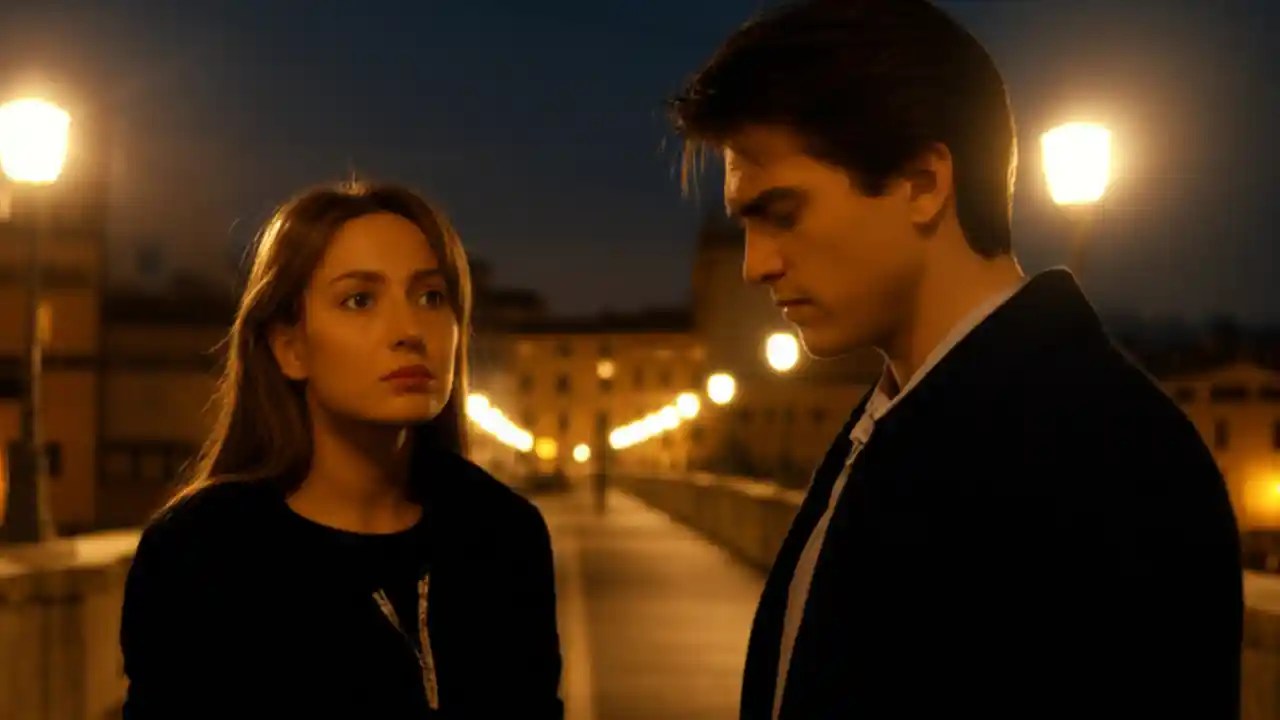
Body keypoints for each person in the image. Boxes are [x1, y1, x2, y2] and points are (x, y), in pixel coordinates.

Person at [668, 1, 1243, 718]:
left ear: (922, 183)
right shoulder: (899, 423)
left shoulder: (1106, 456)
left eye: (783, 214)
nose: (756, 265)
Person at [119, 182, 564, 719]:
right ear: (290, 347)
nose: (409, 331)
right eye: (360, 300)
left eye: (431, 297)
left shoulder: (502, 535)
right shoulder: (202, 552)